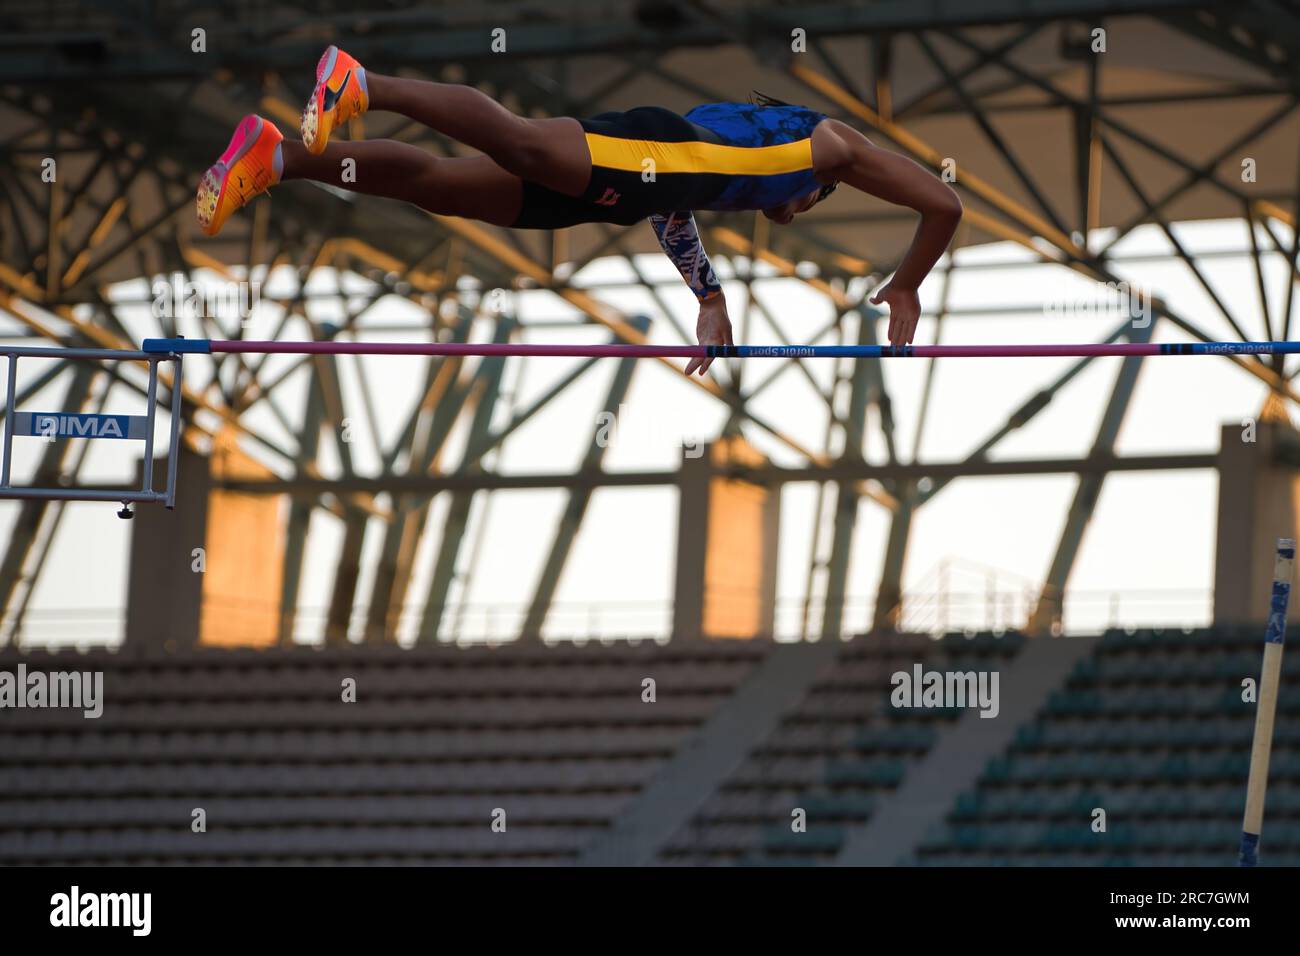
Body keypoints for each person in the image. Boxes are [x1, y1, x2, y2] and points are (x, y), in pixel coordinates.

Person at [197, 45, 961, 375]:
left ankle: (282, 159)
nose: (789, 217)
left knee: (438, 186)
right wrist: (906, 283)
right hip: (654, 154)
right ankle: (366, 84)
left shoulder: (737, 167)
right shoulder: (829, 148)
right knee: (525, 145)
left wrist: (710, 297)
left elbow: (672, 208)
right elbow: (943, 204)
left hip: (643, 185)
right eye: (806, 206)